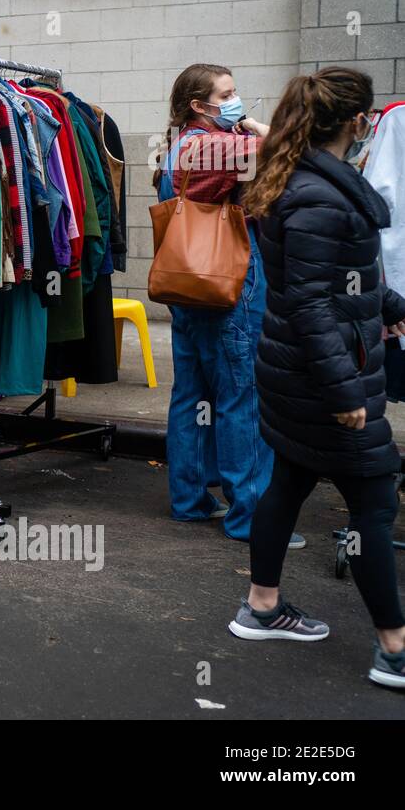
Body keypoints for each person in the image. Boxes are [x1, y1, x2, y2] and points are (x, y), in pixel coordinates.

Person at [228, 67, 405, 689]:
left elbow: (339, 281)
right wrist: (344, 392)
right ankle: (394, 649)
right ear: (356, 123)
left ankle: (262, 606)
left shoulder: (308, 184)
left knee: (290, 481)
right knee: (376, 505)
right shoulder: (320, 197)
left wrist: (392, 311)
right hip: (324, 380)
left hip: (303, 375)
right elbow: (309, 304)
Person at [154, 64, 300, 545]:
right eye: (229, 94)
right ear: (200, 105)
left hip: (186, 284)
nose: (237, 101)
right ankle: (252, 517)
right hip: (228, 281)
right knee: (242, 396)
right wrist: (261, 127)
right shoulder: (216, 146)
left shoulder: (177, 146)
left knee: (192, 394)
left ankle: (190, 500)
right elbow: (288, 147)